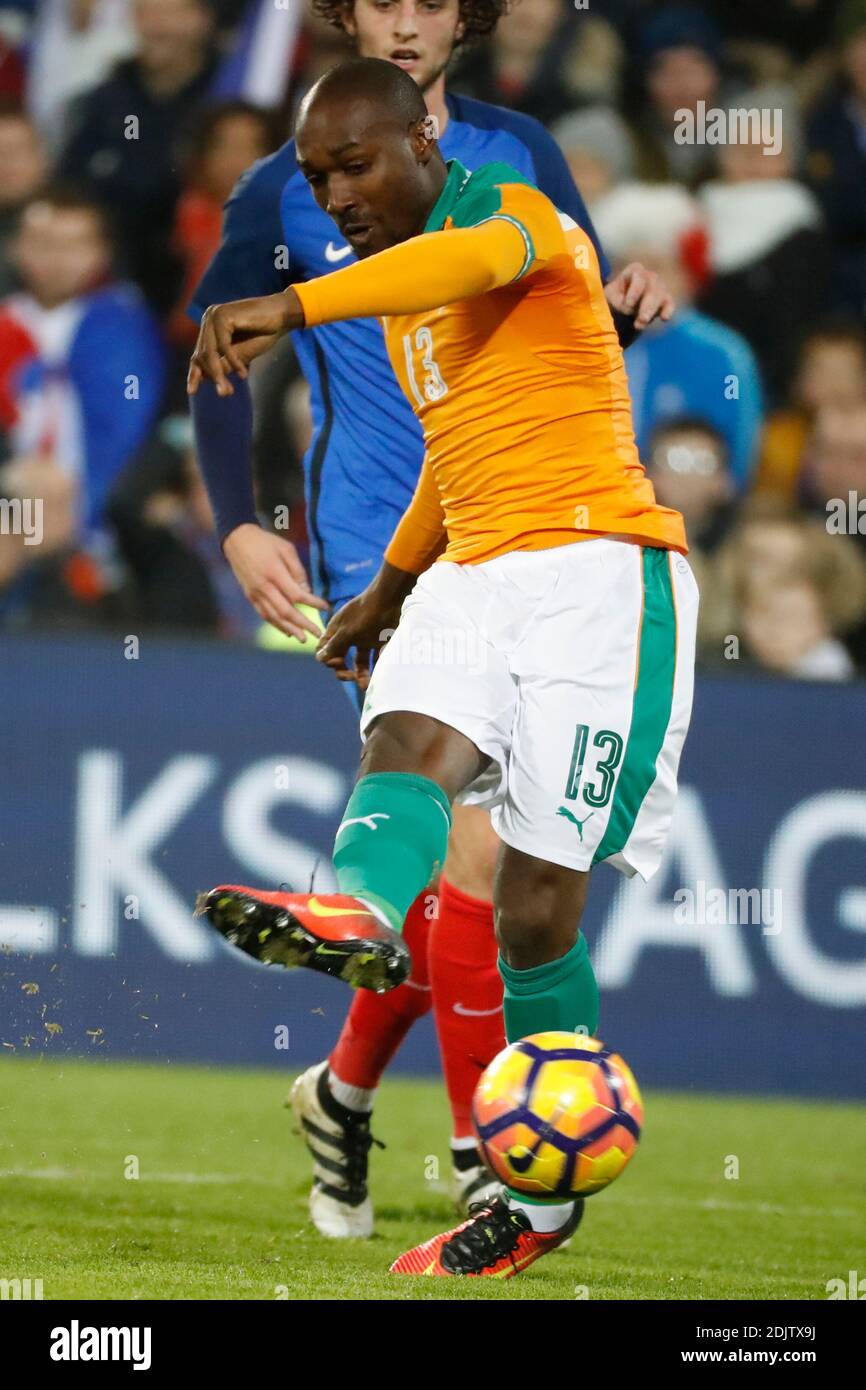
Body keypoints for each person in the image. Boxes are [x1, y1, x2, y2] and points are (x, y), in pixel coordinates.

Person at [189, 56, 698, 1280]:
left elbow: (459, 262)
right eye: (315, 179)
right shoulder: (410, 303)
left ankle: (539, 1210)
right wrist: (389, 587)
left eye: (355, 164)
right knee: (406, 731)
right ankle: (354, 907)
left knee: (533, 910)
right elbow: (450, 452)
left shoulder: (515, 215)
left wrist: (291, 307)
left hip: (598, 574)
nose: (336, 194)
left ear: (423, 138)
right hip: (474, 565)